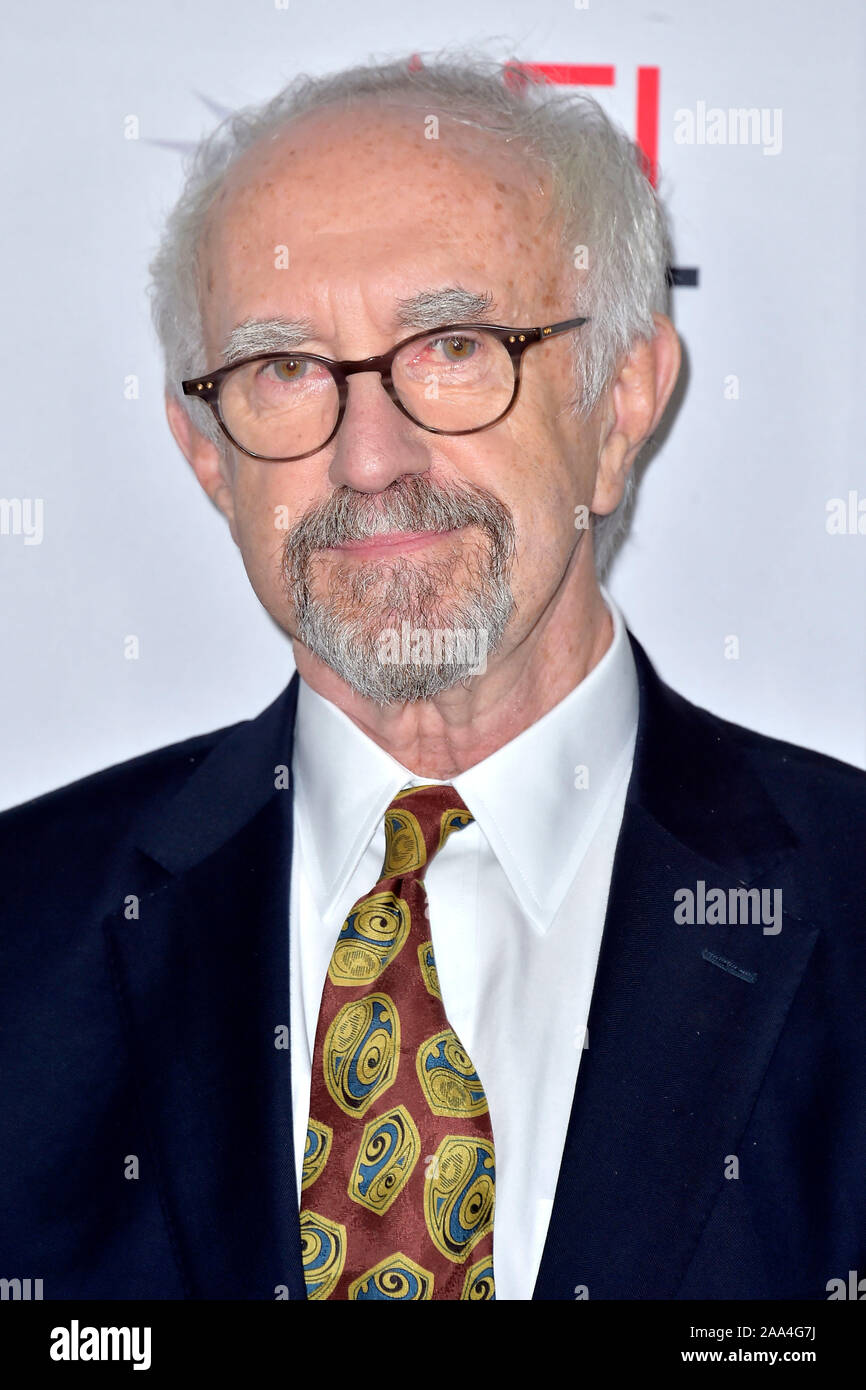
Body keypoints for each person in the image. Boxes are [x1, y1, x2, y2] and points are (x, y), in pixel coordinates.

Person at [1, 54, 863, 1302]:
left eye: (453, 346)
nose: (366, 456)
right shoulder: (23, 934)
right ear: (205, 454)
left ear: (619, 404)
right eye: (283, 370)